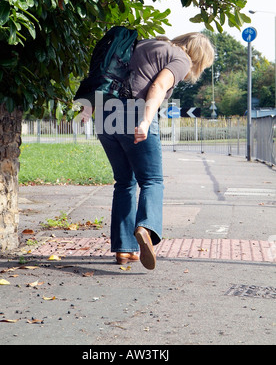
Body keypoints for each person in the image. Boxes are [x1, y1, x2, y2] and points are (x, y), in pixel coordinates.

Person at [87, 32, 215, 270]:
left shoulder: (146, 44)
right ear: (198, 57)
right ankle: (145, 227)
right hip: (134, 111)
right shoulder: (180, 58)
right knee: (152, 180)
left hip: (105, 112)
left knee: (124, 182)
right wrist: (145, 121)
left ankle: (125, 250)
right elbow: (158, 86)